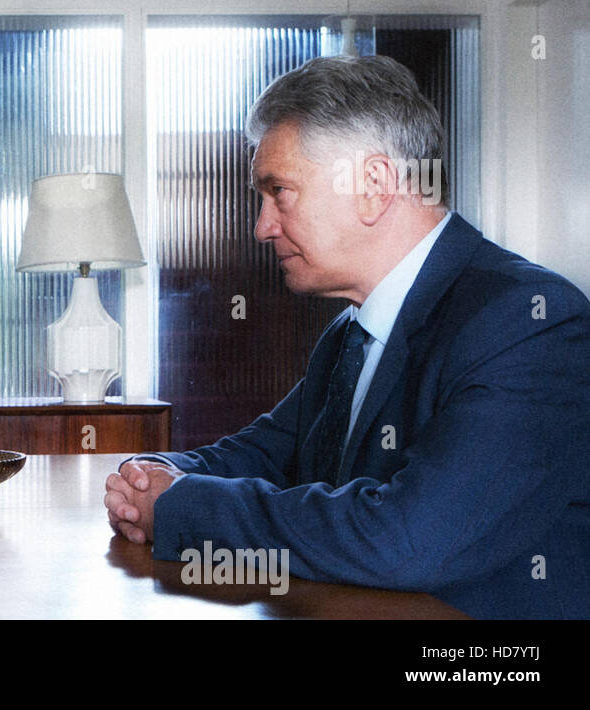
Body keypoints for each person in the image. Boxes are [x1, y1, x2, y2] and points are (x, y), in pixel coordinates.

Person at [104, 55, 590, 619]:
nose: (263, 226)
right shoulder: (351, 331)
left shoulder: (531, 323)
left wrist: (180, 506)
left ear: (374, 185)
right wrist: (145, 477)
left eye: (278, 191)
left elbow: (407, 539)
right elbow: (262, 455)